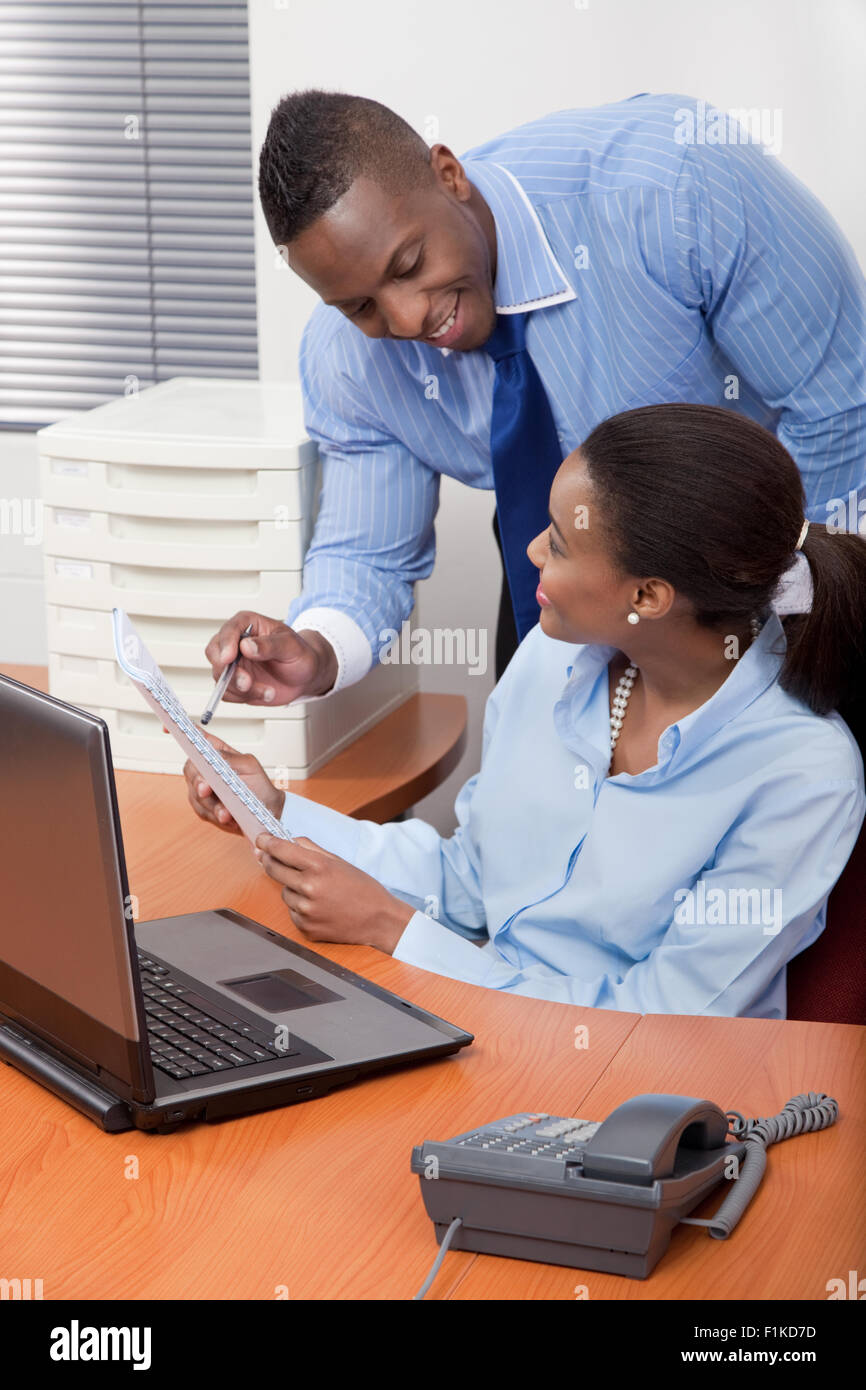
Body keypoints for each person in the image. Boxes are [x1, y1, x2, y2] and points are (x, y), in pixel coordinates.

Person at [184, 404, 866, 1019]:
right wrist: (271, 810)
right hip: (486, 1025)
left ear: (650, 596)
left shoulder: (801, 773)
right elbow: (471, 883)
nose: (534, 550)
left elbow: (669, 1016)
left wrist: (393, 930)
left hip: (641, 1092)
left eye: (560, 545)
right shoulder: (551, 659)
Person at [203, 88, 866, 700]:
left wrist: (783, 627)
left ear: (448, 175)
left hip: (759, 547)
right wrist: (316, 651)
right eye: (361, 307)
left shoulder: (676, 184)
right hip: (560, 565)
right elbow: (365, 551)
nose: (406, 320)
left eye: (408, 266)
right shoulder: (346, 358)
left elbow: (841, 405)